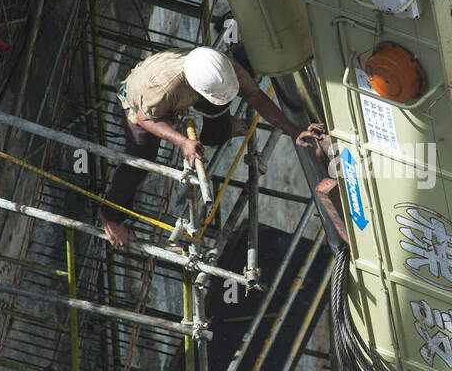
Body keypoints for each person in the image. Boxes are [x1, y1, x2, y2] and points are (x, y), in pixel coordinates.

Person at [99, 46, 323, 246]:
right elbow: (144, 118)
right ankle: (110, 216)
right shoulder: (168, 87)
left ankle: (224, 127)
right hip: (139, 105)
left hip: (177, 97)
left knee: (218, 114)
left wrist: (294, 130)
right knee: (141, 162)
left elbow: (256, 98)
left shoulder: (222, 68)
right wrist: (183, 141)